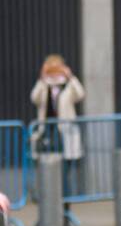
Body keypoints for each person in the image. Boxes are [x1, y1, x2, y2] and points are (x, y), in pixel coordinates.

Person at [30, 55, 85, 215]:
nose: (54, 73)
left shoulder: (68, 86)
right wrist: (42, 78)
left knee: (64, 175)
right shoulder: (44, 86)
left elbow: (80, 94)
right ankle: (47, 213)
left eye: (56, 68)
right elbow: (34, 98)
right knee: (45, 173)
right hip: (46, 132)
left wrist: (70, 76)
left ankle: (66, 212)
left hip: (64, 134)